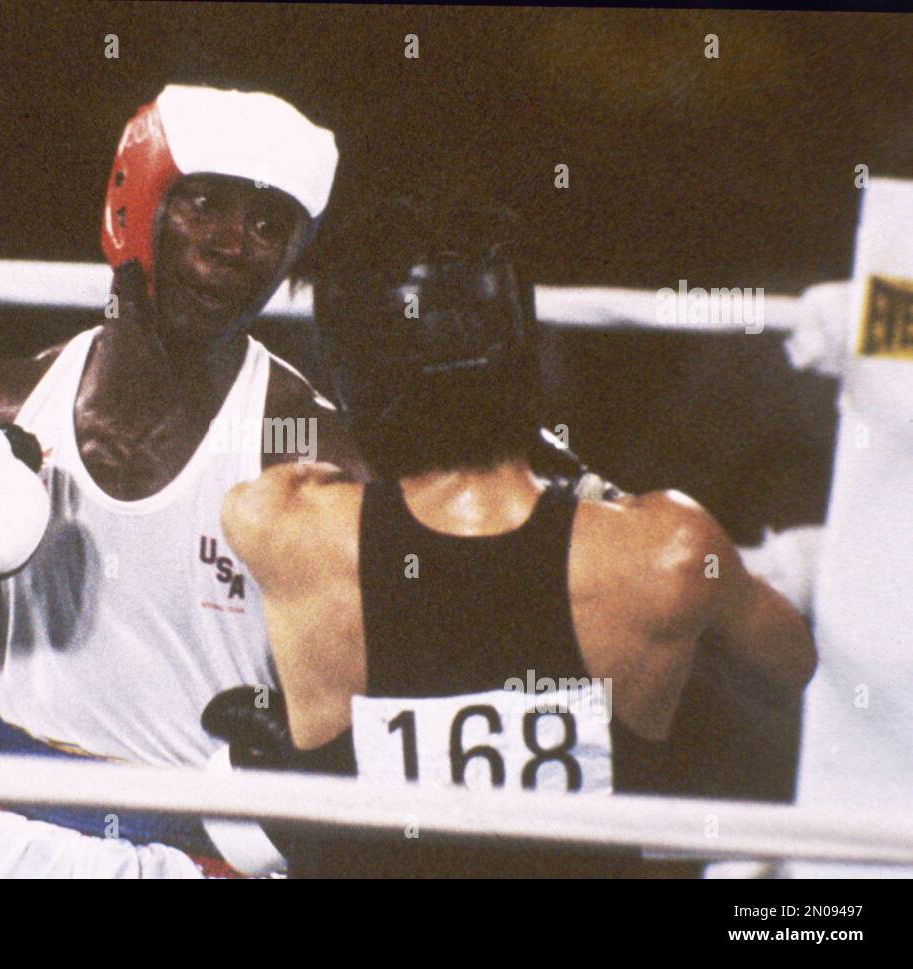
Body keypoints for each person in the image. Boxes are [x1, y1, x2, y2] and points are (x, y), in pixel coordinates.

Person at [0, 83, 362, 877]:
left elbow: (379, 758)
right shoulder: (6, 406)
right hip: (5, 843)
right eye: (203, 204)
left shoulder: (310, 455)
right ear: (135, 202)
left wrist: (266, 814)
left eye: (267, 223)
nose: (230, 245)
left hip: (211, 859)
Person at [209, 193, 818, 876]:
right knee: (796, 898)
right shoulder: (670, 551)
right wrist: (599, 494)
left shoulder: (280, 524)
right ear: (526, 346)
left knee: (230, 792)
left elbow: (318, 448)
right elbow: (796, 665)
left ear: (353, 364)